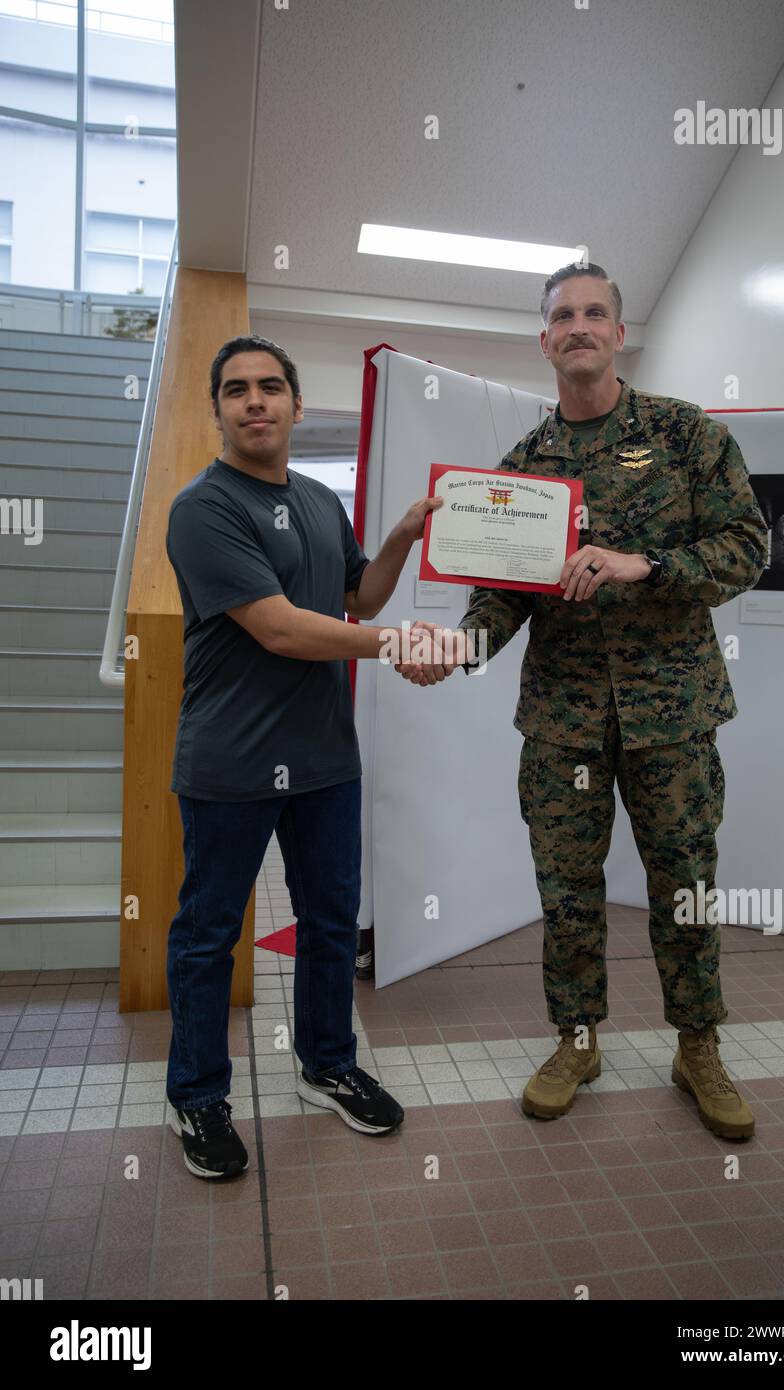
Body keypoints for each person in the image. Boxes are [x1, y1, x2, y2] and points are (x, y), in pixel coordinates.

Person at [397, 263, 767, 1142]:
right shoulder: (524, 470)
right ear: (545, 340)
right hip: (563, 722)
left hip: (672, 717)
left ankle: (698, 1047)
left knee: (686, 885)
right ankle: (577, 1040)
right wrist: (458, 646)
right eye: (563, 316)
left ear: (619, 332)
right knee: (566, 891)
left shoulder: (685, 436)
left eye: (595, 313)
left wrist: (649, 566)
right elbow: (502, 595)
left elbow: (748, 547)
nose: (579, 327)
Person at [164, 334, 445, 1178]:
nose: (256, 401)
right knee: (210, 934)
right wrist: (394, 644)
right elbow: (282, 626)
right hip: (230, 762)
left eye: (272, 387)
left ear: (295, 404)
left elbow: (357, 594)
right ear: (217, 408)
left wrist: (398, 533)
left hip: (324, 757)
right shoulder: (203, 508)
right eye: (238, 389)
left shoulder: (322, 502)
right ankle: (197, 1095)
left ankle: (327, 1063)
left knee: (329, 920)